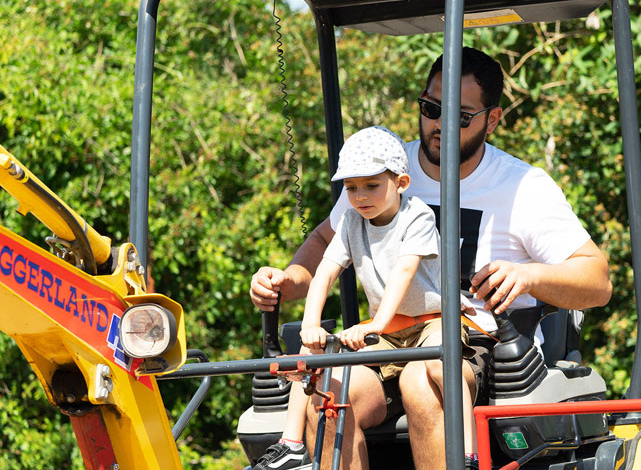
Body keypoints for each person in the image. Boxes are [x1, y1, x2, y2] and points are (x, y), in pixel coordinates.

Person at [250, 47, 613, 470]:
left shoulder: (524, 186)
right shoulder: (379, 173)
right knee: (326, 393)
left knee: (423, 380)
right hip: (386, 337)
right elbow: (321, 247)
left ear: (491, 119)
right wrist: (287, 281)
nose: (439, 124)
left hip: (477, 340)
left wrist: (529, 275)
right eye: (430, 108)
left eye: (459, 115)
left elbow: (598, 281)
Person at [252, 126, 481, 470]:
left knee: (439, 364)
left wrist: (375, 323)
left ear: (400, 183)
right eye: (351, 188)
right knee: (320, 364)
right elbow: (326, 272)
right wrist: (311, 325)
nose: (360, 197)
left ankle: (467, 453)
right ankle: (291, 442)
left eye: (371, 186)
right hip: (387, 334)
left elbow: (404, 274)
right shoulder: (350, 222)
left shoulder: (416, 216)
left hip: (431, 322)